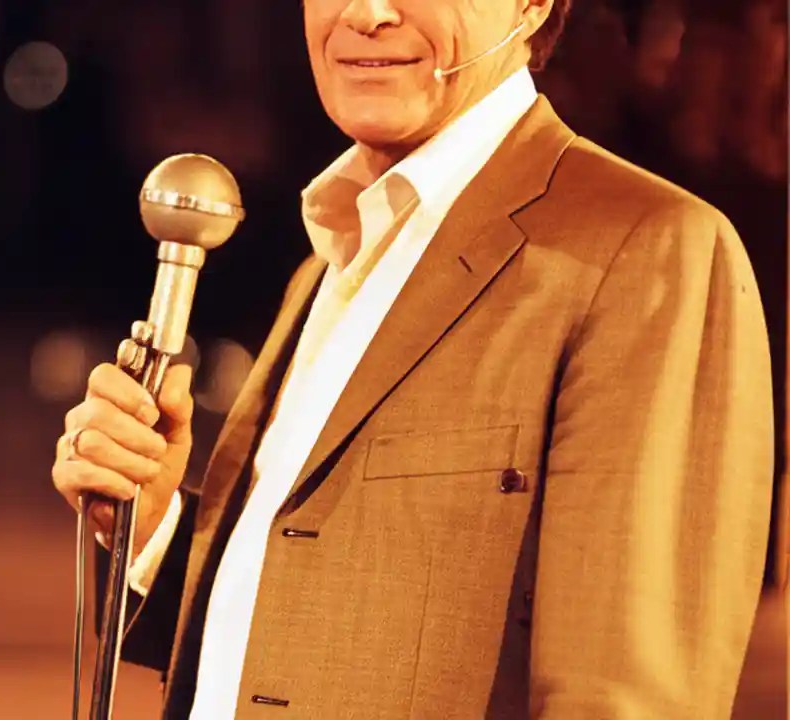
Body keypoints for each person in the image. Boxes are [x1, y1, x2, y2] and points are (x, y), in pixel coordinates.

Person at [51, 0, 774, 717]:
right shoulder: (330, 260)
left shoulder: (644, 251)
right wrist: (153, 533)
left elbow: (621, 697)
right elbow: (308, 629)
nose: (367, 14)